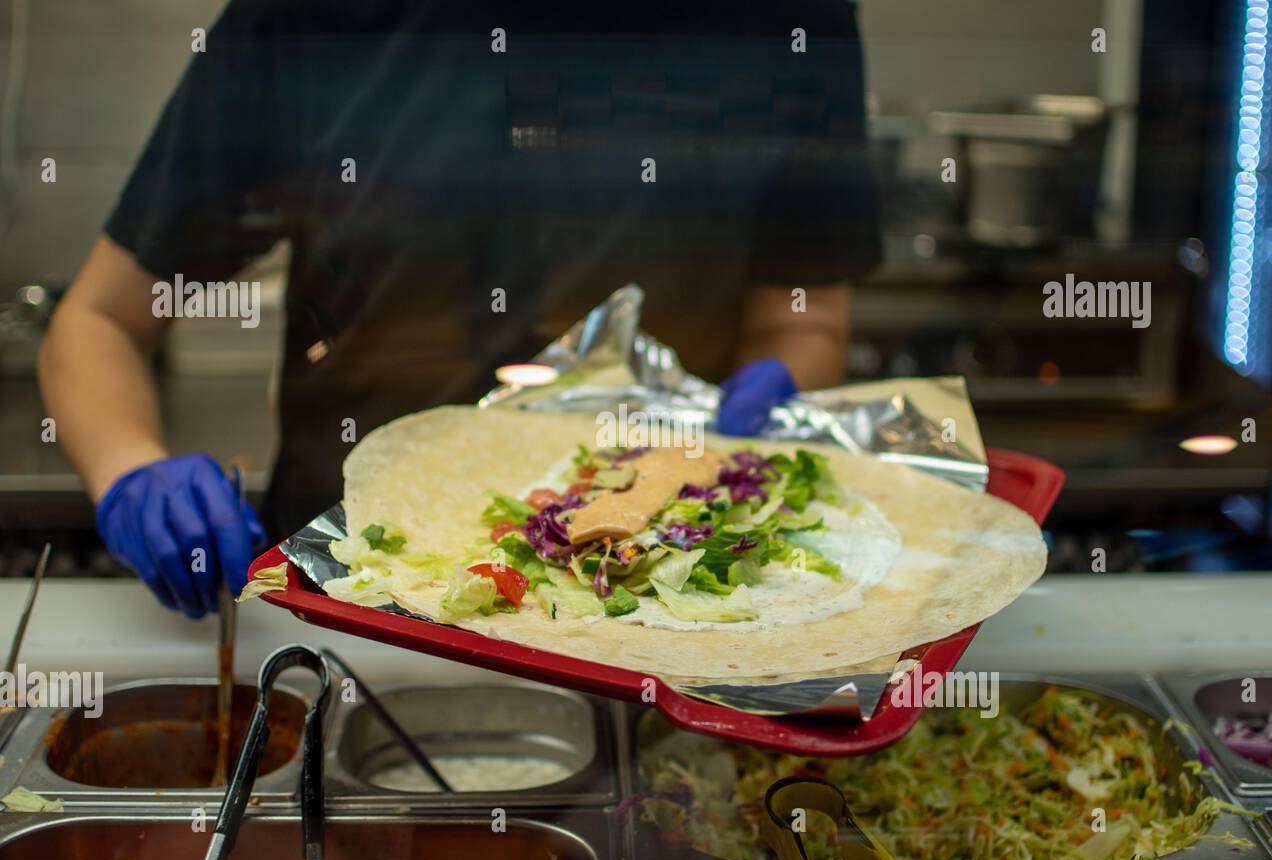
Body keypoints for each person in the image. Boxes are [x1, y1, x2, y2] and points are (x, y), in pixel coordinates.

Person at [38, 1, 882, 619]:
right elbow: (101, 322)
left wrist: (773, 392)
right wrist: (130, 475)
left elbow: (802, 321)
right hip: (352, 609)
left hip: (658, 607)